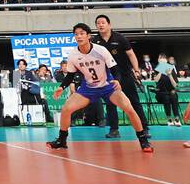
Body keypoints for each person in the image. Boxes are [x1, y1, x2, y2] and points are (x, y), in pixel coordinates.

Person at [47, 24, 152, 152]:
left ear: (88, 36)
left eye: (82, 33)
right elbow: (70, 75)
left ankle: (143, 140)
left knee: (129, 108)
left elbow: (115, 69)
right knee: (66, 109)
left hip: (108, 86)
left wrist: (117, 80)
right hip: (88, 88)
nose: (79, 36)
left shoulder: (100, 50)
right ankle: (62, 141)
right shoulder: (73, 55)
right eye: (76, 34)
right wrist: (62, 87)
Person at [93, 14, 149, 137]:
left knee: (134, 101)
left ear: (109, 24)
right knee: (110, 103)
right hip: (108, 78)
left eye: (103, 22)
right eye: (98, 23)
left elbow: (131, 54)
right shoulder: (94, 41)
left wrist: (136, 70)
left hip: (125, 75)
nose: (100, 25)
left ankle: (144, 128)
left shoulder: (119, 38)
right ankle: (114, 129)